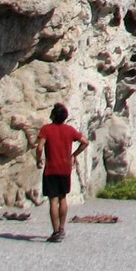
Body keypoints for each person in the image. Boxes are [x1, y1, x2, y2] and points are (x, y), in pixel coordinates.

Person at [34, 104, 89, 243]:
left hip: (51, 169)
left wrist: (38, 159)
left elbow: (40, 147)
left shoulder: (46, 129)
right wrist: (74, 155)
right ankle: (62, 228)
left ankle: (55, 231)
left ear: (53, 115)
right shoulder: (69, 130)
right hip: (65, 169)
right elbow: (85, 142)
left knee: (53, 199)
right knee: (63, 197)